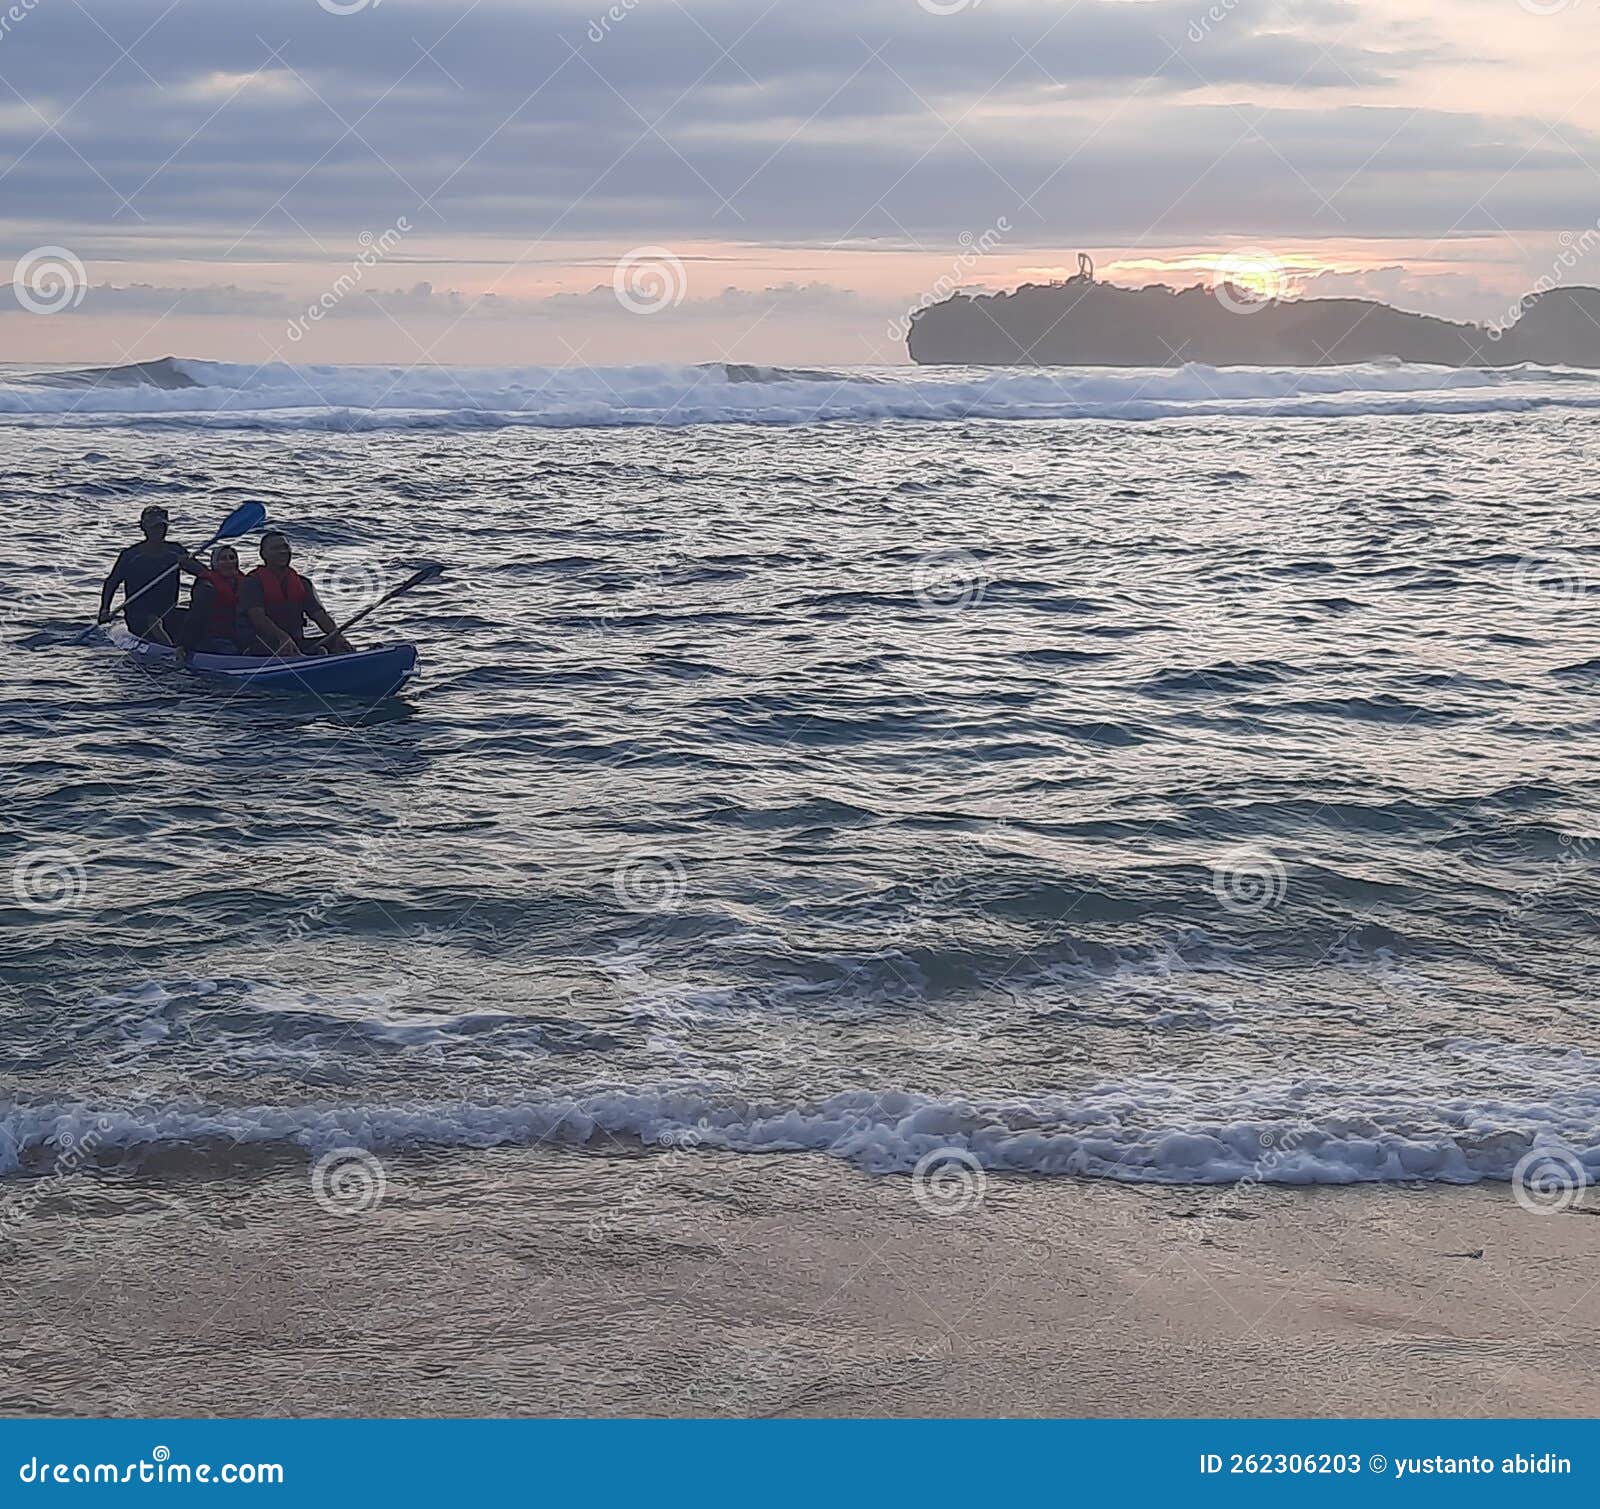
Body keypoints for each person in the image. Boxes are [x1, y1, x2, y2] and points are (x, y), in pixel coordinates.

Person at [239, 531, 355, 657]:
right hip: (260, 645)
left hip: (295, 643)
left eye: (285, 547)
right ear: (263, 554)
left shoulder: (303, 583)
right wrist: (282, 638)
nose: (283, 551)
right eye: (276, 548)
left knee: (337, 644)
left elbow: (319, 615)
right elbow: (258, 618)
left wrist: (337, 636)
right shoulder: (251, 582)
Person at [97, 505, 201, 644]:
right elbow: (112, 582)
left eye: (161, 527)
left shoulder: (176, 551)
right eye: (154, 527)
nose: (158, 531)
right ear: (144, 528)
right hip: (138, 615)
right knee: (153, 621)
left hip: (167, 612)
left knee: (194, 618)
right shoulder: (131, 555)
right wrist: (105, 609)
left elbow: (203, 572)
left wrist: (189, 564)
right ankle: (170, 649)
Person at [179, 544, 247, 654]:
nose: (229, 562)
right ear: (215, 564)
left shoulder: (245, 582)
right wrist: (183, 644)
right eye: (223, 559)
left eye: (232, 558)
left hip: (241, 636)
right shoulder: (206, 586)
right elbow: (195, 618)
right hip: (214, 638)